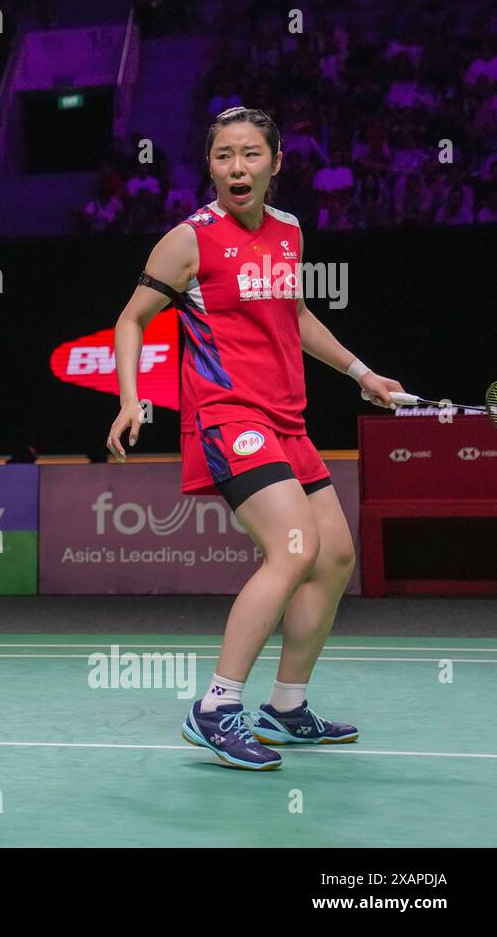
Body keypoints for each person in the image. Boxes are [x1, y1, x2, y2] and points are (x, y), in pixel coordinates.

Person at [105, 107, 405, 770]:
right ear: (209, 165)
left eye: (249, 155)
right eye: (222, 156)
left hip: (286, 418)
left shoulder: (290, 231)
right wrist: (131, 397)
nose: (236, 168)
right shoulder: (190, 240)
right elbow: (132, 320)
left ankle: (288, 707)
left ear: (274, 163)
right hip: (225, 415)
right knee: (293, 547)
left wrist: (362, 373)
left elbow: (292, 313)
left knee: (333, 558)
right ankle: (215, 707)